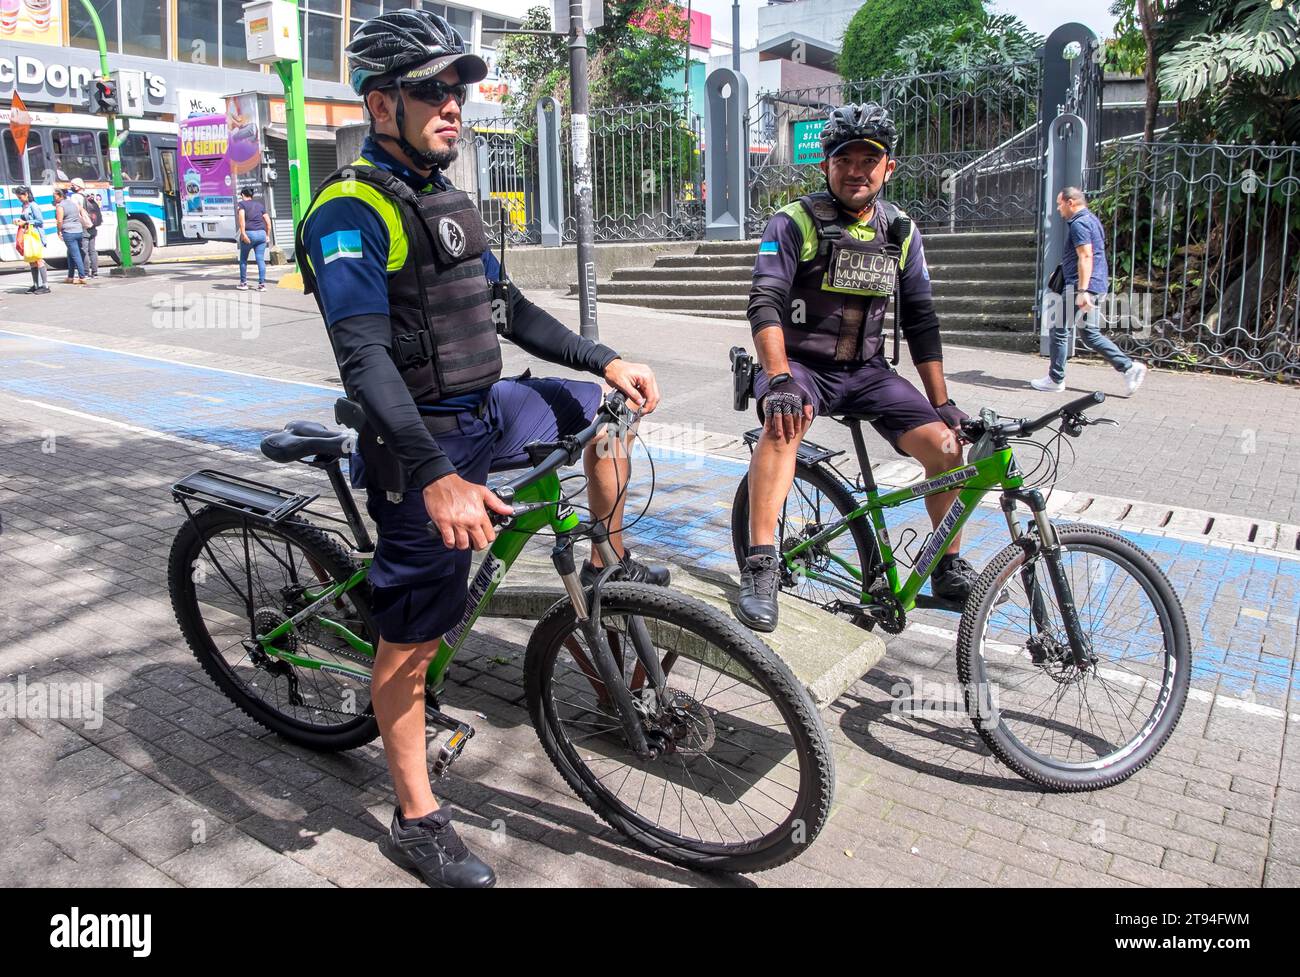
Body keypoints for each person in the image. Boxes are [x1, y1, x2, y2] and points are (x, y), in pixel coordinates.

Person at [298, 8, 665, 889]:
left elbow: (508, 313)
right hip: (417, 439)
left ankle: (609, 567)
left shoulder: (447, 198)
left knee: (596, 415)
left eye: (459, 89)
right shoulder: (350, 209)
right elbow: (365, 359)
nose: (454, 104)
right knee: (412, 642)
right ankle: (415, 818)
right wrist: (433, 478)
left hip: (486, 406)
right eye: (433, 90)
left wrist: (602, 358)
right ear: (381, 104)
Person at [737, 102, 975, 633]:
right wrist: (777, 378)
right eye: (845, 159)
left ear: (888, 168)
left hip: (868, 373)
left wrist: (942, 402)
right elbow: (765, 302)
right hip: (799, 366)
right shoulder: (793, 221)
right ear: (826, 167)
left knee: (949, 447)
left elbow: (921, 320)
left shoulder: (902, 232)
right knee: (783, 420)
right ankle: (760, 564)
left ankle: (946, 564)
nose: (857, 170)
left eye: (870, 159)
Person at [1031, 187, 1146, 395]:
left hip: (1081, 285)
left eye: (1060, 204)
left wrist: (1082, 290)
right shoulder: (1092, 220)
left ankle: (1055, 379)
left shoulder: (1079, 223)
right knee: (1089, 334)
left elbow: (1086, 256)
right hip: (1092, 283)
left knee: (1058, 328)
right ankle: (1129, 367)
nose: (1058, 209)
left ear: (1071, 202)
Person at [14, 185, 51, 294]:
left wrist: (25, 222)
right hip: (28, 235)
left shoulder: (33, 205)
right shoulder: (24, 205)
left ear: (26, 195)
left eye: (20, 197)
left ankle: (45, 286)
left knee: (38, 259)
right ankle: (36, 285)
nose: (19, 199)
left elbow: (40, 220)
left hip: (35, 235)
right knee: (32, 260)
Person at [235, 187, 271, 290]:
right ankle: (262, 285)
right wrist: (267, 235)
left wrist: (243, 234)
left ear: (242, 195)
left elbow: (241, 220)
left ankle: (243, 283)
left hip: (249, 234)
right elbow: (268, 222)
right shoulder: (260, 205)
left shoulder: (242, 205)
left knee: (243, 260)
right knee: (260, 259)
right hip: (261, 234)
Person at [53, 187, 90, 284]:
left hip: (69, 232)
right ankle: (70, 276)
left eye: (55, 196)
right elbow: (80, 212)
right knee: (70, 254)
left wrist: (59, 231)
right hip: (78, 231)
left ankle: (82, 277)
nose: (54, 198)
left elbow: (60, 220)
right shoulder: (73, 203)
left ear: (59, 195)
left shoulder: (60, 206)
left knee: (75, 255)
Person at [76, 182, 103, 279]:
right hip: (93, 227)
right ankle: (95, 272)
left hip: (85, 226)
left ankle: (86, 272)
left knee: (85, 250)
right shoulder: (90, 197)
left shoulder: (77, 197)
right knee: (93, 250)